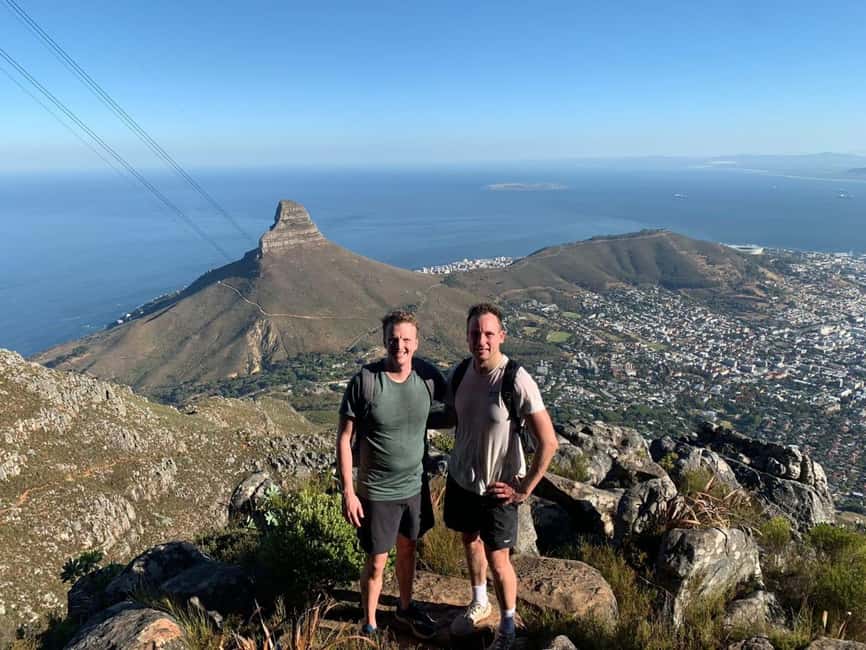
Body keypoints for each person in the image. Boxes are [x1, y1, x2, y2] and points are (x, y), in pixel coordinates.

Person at [444, 303, 558, 650]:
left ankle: (508, 627)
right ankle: (480, 601)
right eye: (476, 333)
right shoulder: (461, 373)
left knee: (499, 558)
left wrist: (524, 488)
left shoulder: (516, 380)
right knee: (470, 540)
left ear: (501, 337)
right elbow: (453, 416)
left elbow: (548, 441)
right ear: (467, 337)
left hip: (499, 486)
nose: (482, 340)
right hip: (463, 478)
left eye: (489, 333)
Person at [336, 310, 445, 639]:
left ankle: (405, 608)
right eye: (393, 339)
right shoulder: (366, 382)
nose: (400, 345)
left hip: (414, 485)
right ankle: (368, 624)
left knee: (409, 548)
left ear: (416, 342)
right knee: (378, 559)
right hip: (377, 491)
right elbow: (343, 439)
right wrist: (348, 492)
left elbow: (457, 405)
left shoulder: (427, 376)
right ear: (384, 341)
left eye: (406, 339)